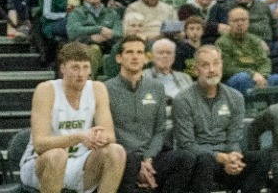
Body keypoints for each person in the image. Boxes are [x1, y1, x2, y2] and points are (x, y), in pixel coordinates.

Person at [22, 43, 125, 193]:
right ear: (63, 68)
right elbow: (40, 145)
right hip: (40, 163)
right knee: (58, 155)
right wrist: (79, 137)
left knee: (116, 151)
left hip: (79, 162)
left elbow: (110, 136)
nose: (81, 74)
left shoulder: (98, 88)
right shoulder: (46, 90)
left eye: (85, 67)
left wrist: (98, 137)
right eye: (75, 67)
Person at [103, 35, 191, 193]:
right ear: (118, 58)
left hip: (150, 156)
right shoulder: (105, 89)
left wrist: (148, 159)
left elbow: (159, 130)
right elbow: (109, 134)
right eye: (129, 52)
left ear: (145, 58)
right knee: (130, 161)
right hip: (122, 157)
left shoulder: (157, 88)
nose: (135, 56)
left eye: (139, 52)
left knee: (185, 159)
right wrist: (137, 162)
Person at [166, 45, 249, 193]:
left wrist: (234, 157)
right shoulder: (183, 100)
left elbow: (234, 139)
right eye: (205, 65)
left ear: (222, 65)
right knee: (205, 159)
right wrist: (220, 157)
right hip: (198, 161)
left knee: (262, 158)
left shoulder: (236, 97)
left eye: (216, 63)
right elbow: (187, 144)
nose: (212, 69)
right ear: (196, 70)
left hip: (226, 159)